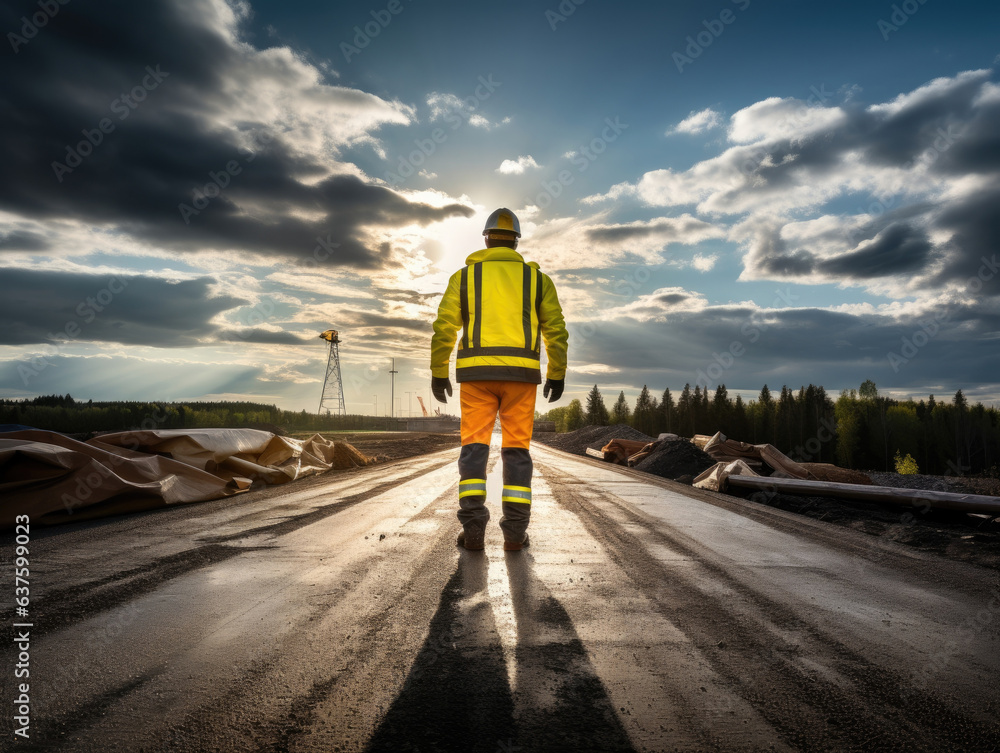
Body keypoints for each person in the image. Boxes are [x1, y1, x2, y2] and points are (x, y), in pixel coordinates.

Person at [430, 207, 568, 551]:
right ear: (516, 242)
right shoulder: (538, 281)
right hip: (521, 377)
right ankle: (515, 534)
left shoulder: (464, 278)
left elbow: (445, 326)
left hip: (476, 377)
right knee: (516, 451)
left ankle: (474, 529)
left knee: (474, 449)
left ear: (487, 239)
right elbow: (556, 330)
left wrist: (438, 371)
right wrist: (557, 373)